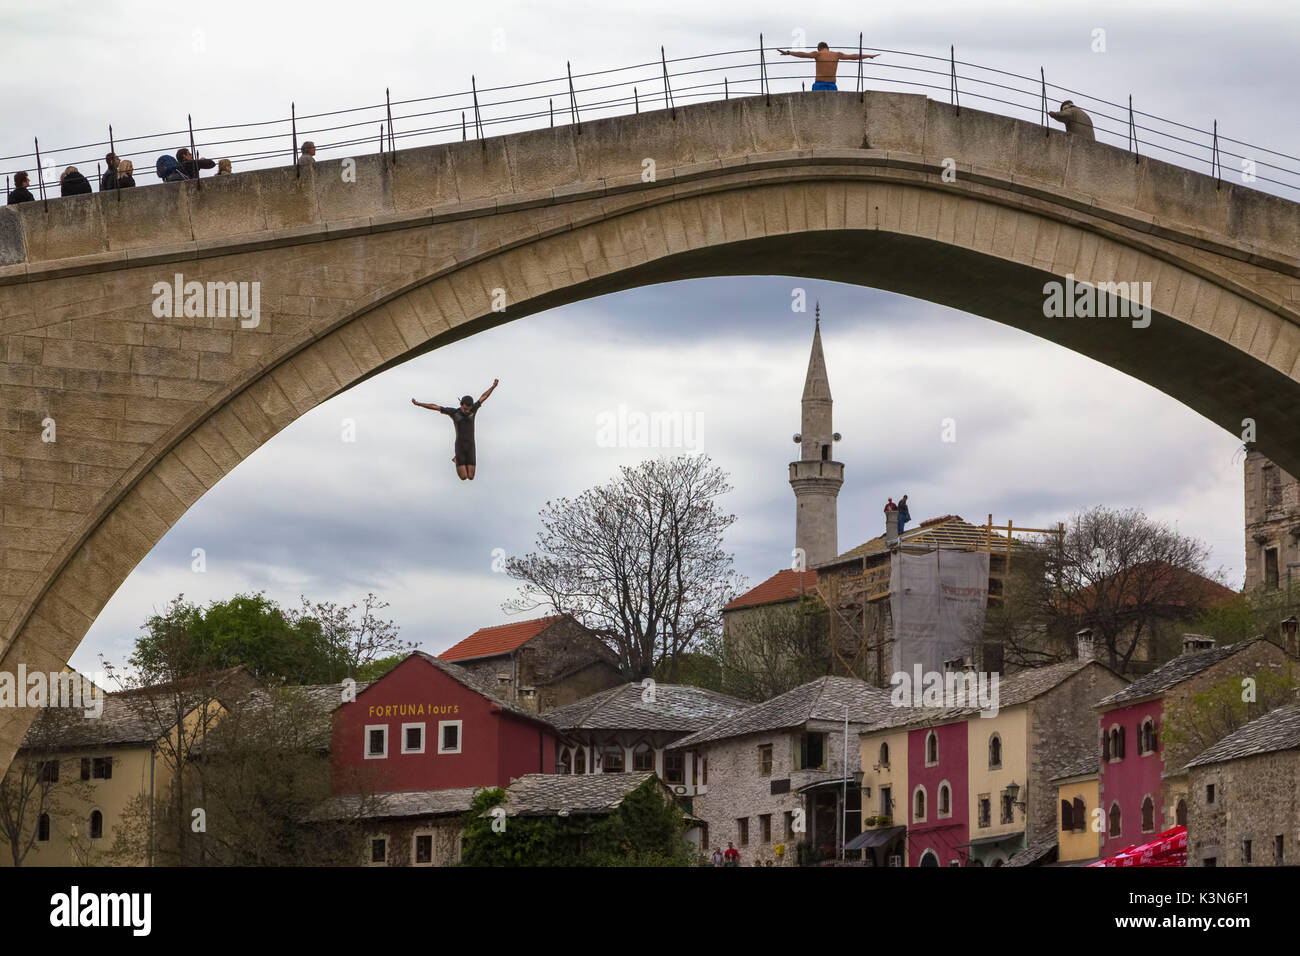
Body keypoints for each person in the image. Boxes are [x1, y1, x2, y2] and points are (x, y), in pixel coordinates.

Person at [411, 379, 499, 480]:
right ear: (461, 405)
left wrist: (493, 387)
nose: (466, 411)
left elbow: (483, 397)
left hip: (471, 446)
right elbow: (435, 407)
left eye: (468, 409)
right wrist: (419, 404)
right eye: (465, 409)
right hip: (460, 447)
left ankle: (460, 461)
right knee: (463, 477)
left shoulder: (473, 410)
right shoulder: (454, 413)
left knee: (470, 477)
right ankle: (456, 459)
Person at [777, 41, 879, 91]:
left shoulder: (818, 54)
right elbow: (853, 56)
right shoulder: (837, 55)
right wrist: (869, 56)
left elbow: (803, 54)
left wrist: (788, 52)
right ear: (827, 47)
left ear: (819, 48)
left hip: (819, 84)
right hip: (832, 85)